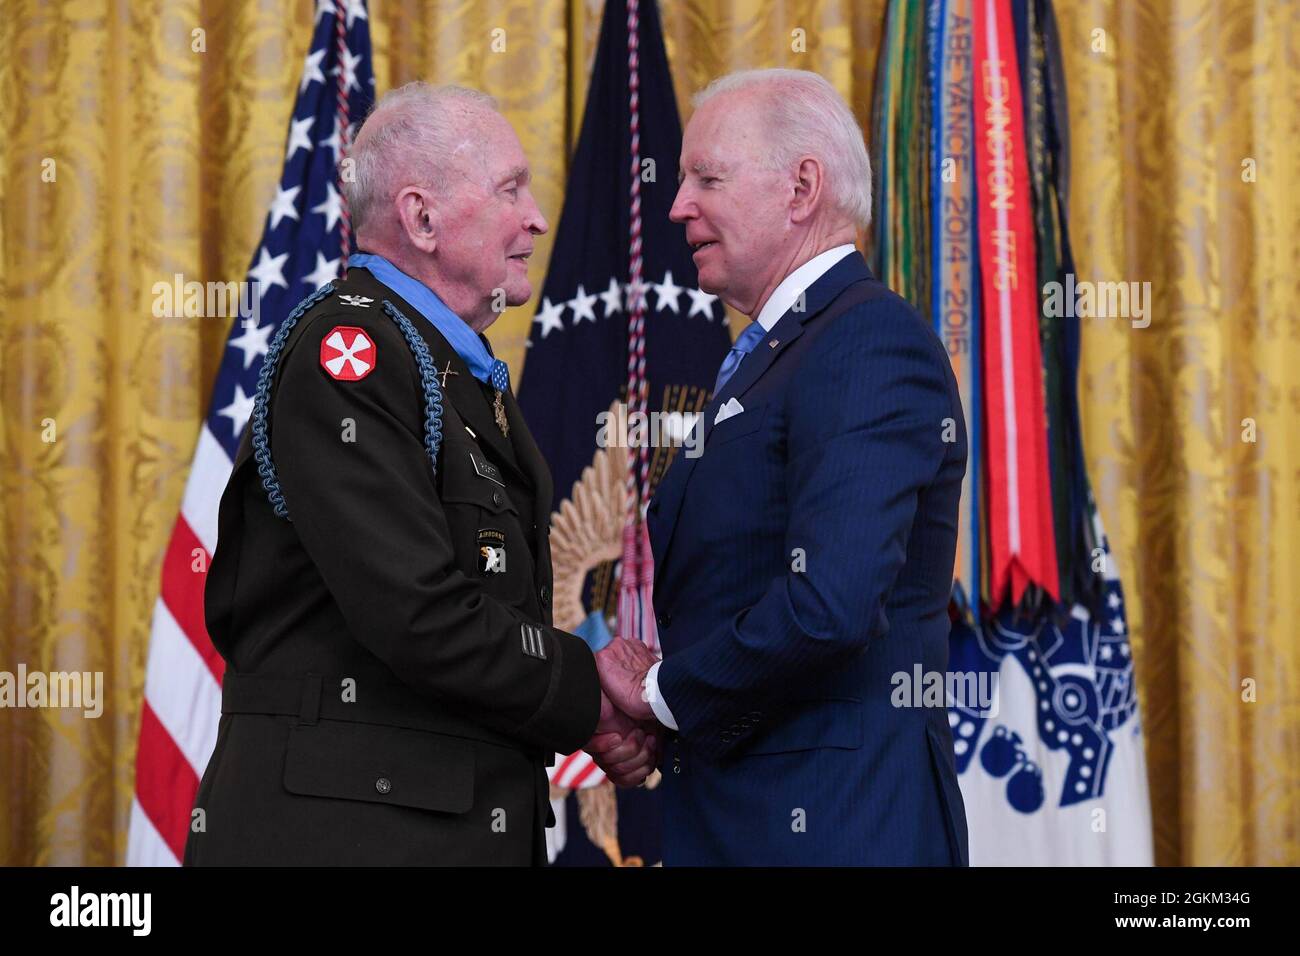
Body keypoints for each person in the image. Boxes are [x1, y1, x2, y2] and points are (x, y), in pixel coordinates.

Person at [184, 82, 648, 867]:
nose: (536, 217)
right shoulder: (349, 357)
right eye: (510, 189)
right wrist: (590, 694)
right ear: (422, 218)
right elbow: (418, 613)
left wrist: (583, 708)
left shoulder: (445, 370)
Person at [591, 69, 971, 865]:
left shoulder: (867, 344)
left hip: (839, 828)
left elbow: (829, 604)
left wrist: (662, 696)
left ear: (802, 188)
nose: (677, 204)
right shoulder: (781, 352)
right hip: (749, 820)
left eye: (708, 178)